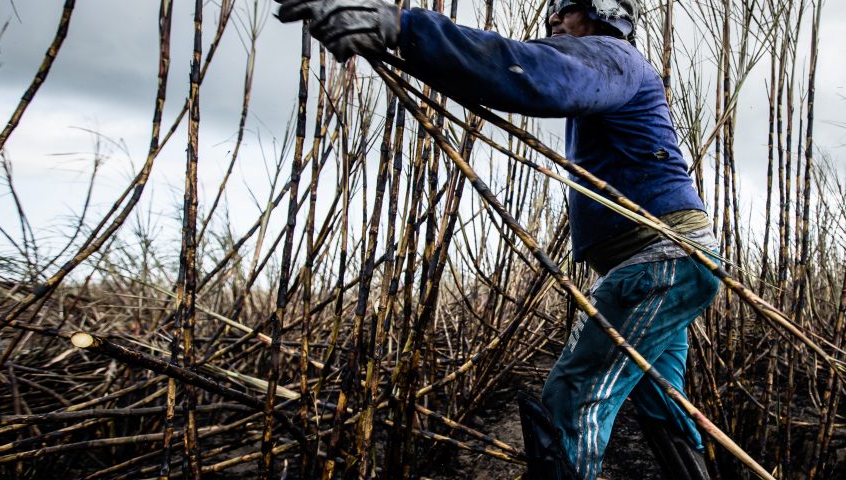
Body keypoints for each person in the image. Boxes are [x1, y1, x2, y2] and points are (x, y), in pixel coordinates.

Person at [275, 1, 720, 478]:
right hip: (668, 262)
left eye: (564, 10)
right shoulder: (618, 68)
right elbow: (523, 70)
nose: (552, 21)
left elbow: (531, 71)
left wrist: (403, 27)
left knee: (576, 395)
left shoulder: (614, 56)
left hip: (659, 262)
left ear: (602, 14)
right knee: (663, 400)